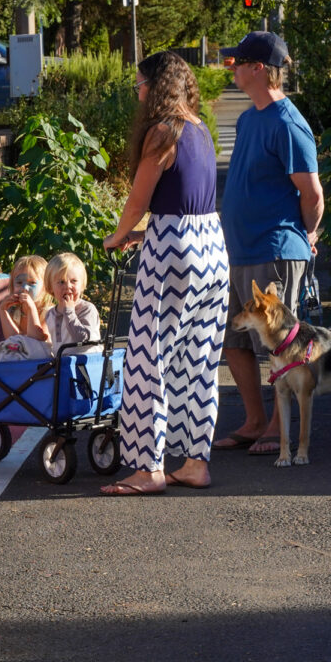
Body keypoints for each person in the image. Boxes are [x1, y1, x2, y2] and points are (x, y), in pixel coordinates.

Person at [100, 51, 230, 496]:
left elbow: (139, 201)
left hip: (172, 250)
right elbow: (188, 200)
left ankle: (147, 466)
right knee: (200, 358)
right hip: (212, 246)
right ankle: (196, 462)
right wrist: (145, 235)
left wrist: (119, 235)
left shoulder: (163, 131)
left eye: (140, 84)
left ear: (156, 87)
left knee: (147, 355)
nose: (137, 92)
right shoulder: (199, 128)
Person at [212, 31, 324, 457]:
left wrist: (308, 234)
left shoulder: (288, 123)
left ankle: (280, 426)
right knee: (236, 341)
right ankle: (256, 421)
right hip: (239, 251)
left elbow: (311, 194)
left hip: (275, 251)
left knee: (279, 344)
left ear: (258, 68)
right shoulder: (248, 118)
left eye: (236, 62)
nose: (232, 68)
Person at [0, 254, 51, 361]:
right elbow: (14, 340)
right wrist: (3, 311)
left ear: (45, 287)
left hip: (43, 363)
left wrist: (31, 309)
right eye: (19, 282)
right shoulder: (15, 310)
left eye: (32, 283)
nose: (24, 288)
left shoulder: (49, 312)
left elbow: (38, 340)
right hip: (22, 361)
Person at [42, 252, 100, 355]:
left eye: (73, 281)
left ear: (82, 284)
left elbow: (84, 339)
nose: (68, 286)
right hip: (63, 365)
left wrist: (69, 312)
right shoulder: (50, 314)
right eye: (61, 282)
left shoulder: (86, 309)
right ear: (51, 287)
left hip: (86, 365)